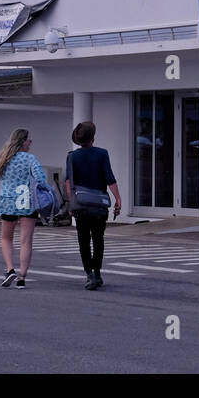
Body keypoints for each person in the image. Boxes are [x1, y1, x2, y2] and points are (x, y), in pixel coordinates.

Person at [64, 121, 122, 290]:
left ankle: (89, 274)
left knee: (83, 240)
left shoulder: (72, 156)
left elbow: (69, 182)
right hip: (99, 206)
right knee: (98, 239)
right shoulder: (102, 154)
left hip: (81, 205)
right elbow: (110, 178)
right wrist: (118, 199)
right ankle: (97, 272)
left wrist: (71, 203)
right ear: (93, 137)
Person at [0, 128, 47, 288]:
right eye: (29, 140)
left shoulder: (3, 157)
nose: (31, 142)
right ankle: (22, 278)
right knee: (26, 241)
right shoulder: (30, 159)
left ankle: (10, 269)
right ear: (23, 141)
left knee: (6, 237)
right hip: (26, 200)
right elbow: (41, 178)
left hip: (7, 201)